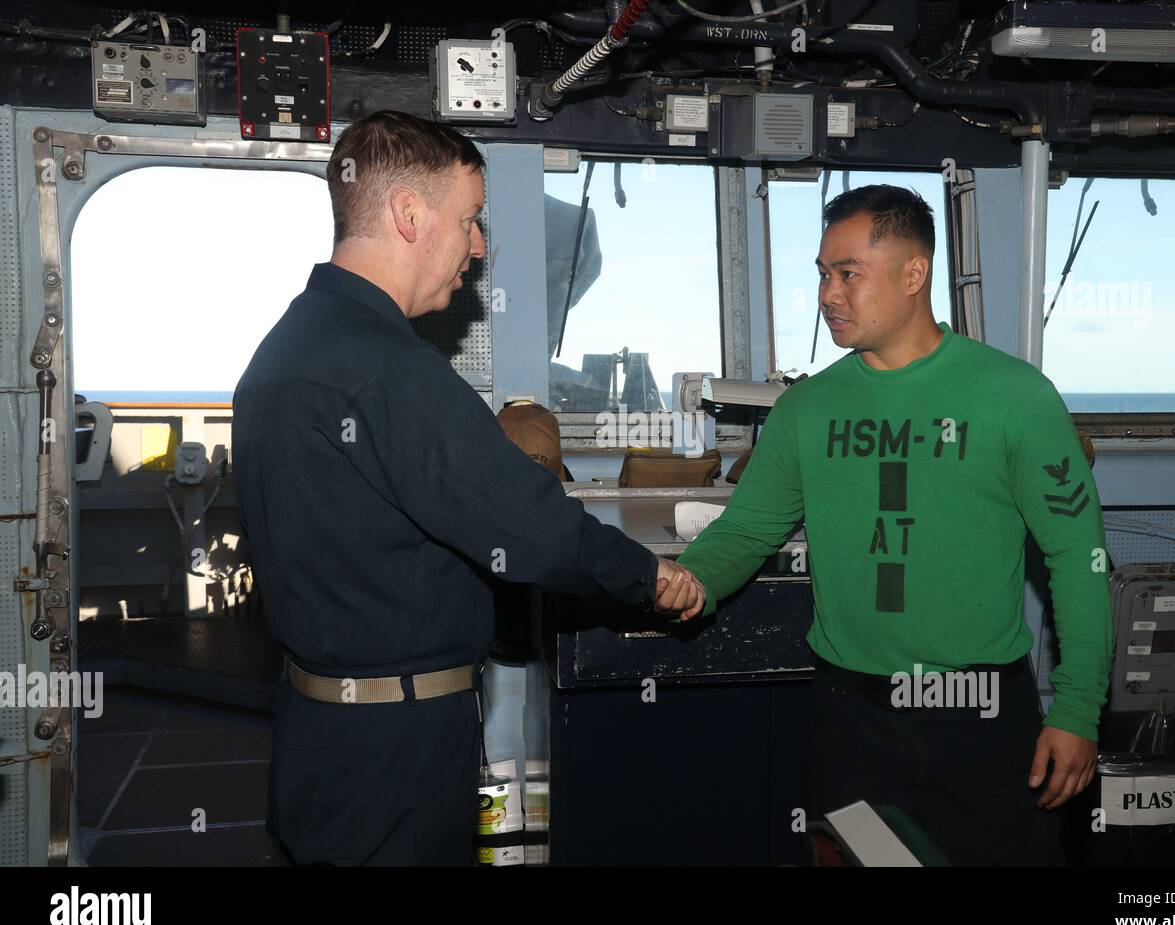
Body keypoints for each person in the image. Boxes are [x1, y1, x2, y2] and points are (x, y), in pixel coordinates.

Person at [232, 110, 701, 866]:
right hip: (397, 751)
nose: (478, 247)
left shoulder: (289, 344)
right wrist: (650, 576)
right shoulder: (389, 368)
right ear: (409, 214)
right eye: (471, 220)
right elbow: (525, 525)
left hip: (318, 731)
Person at [671, 185, 1111, 866]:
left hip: (982, 722)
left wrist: (1078, 711)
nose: (828, 294)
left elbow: (1078, 560)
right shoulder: (806, 409)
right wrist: (690, 577)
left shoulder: (1015, 397)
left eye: (849, 273)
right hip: (852, 727)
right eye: (822, 273)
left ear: (913, 275)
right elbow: (748, 530)